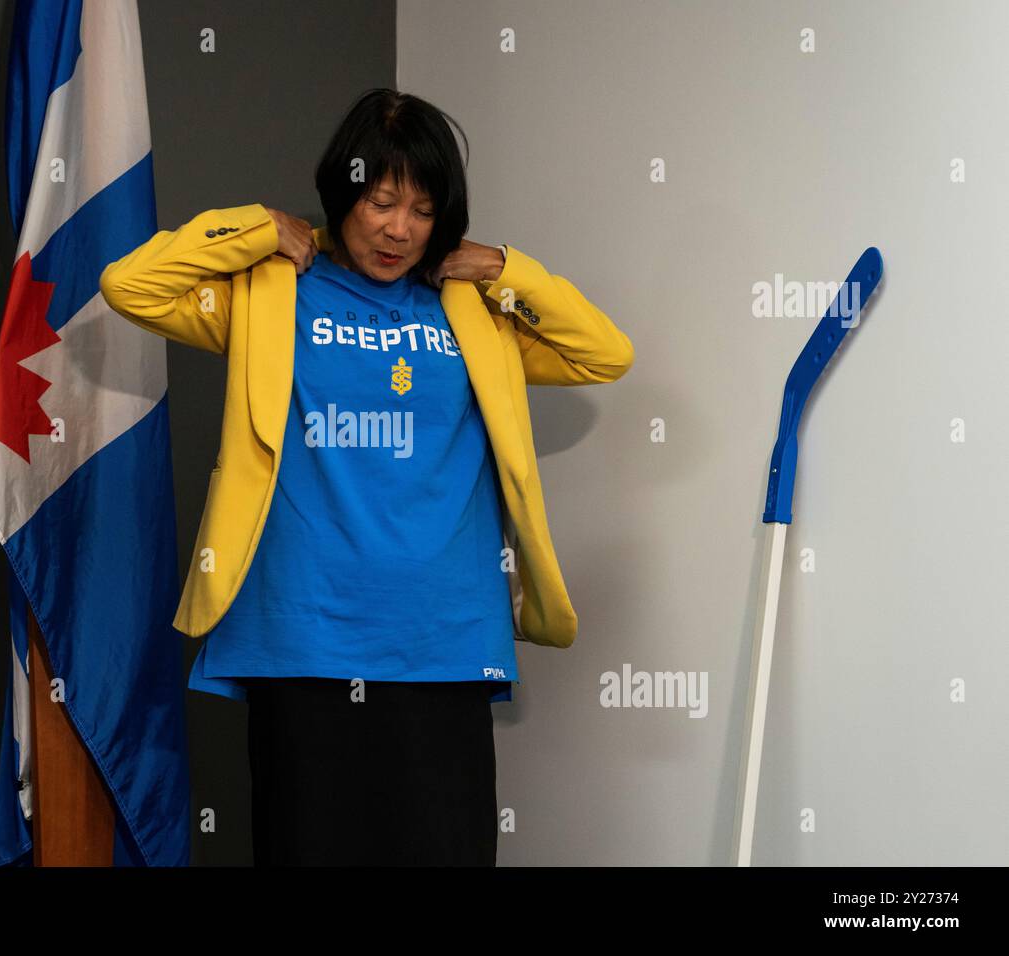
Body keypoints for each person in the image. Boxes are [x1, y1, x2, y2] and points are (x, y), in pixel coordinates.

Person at [99, 88, 634, 866]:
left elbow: (604, 353)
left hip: (443, 638)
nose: (399, 230)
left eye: (422, 210)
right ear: (343, 191)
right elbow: (131, 285)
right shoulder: (271, 292)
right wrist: (253, 229)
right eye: (382, 201)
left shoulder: (474, 310)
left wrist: (509, 269)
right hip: (303, 635)